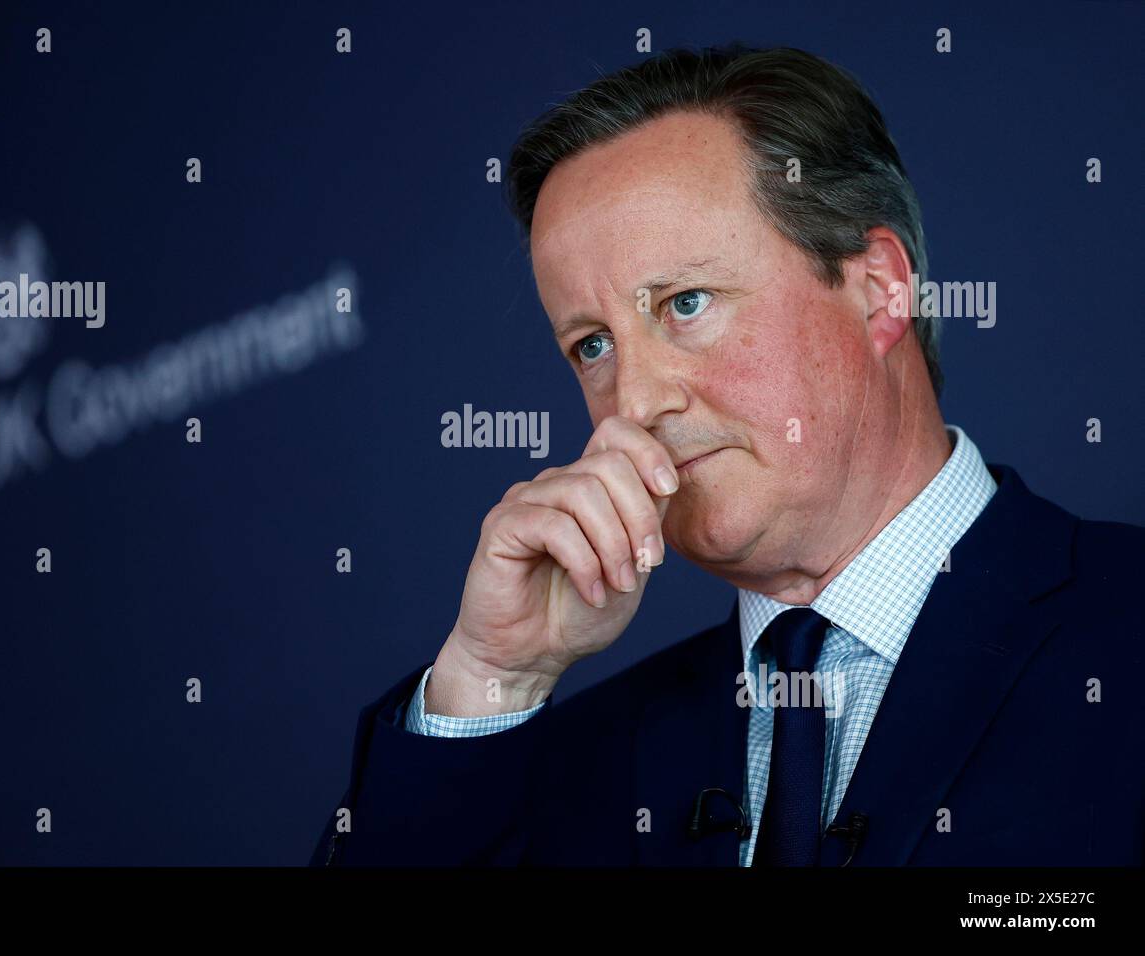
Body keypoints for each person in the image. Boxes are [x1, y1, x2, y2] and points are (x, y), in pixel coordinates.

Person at [311, 45, 1144, 866]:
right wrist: (490, 677)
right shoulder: (561, 764)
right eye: (593, 344)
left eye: (686, 303)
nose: (634, 404)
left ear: (880, 288)